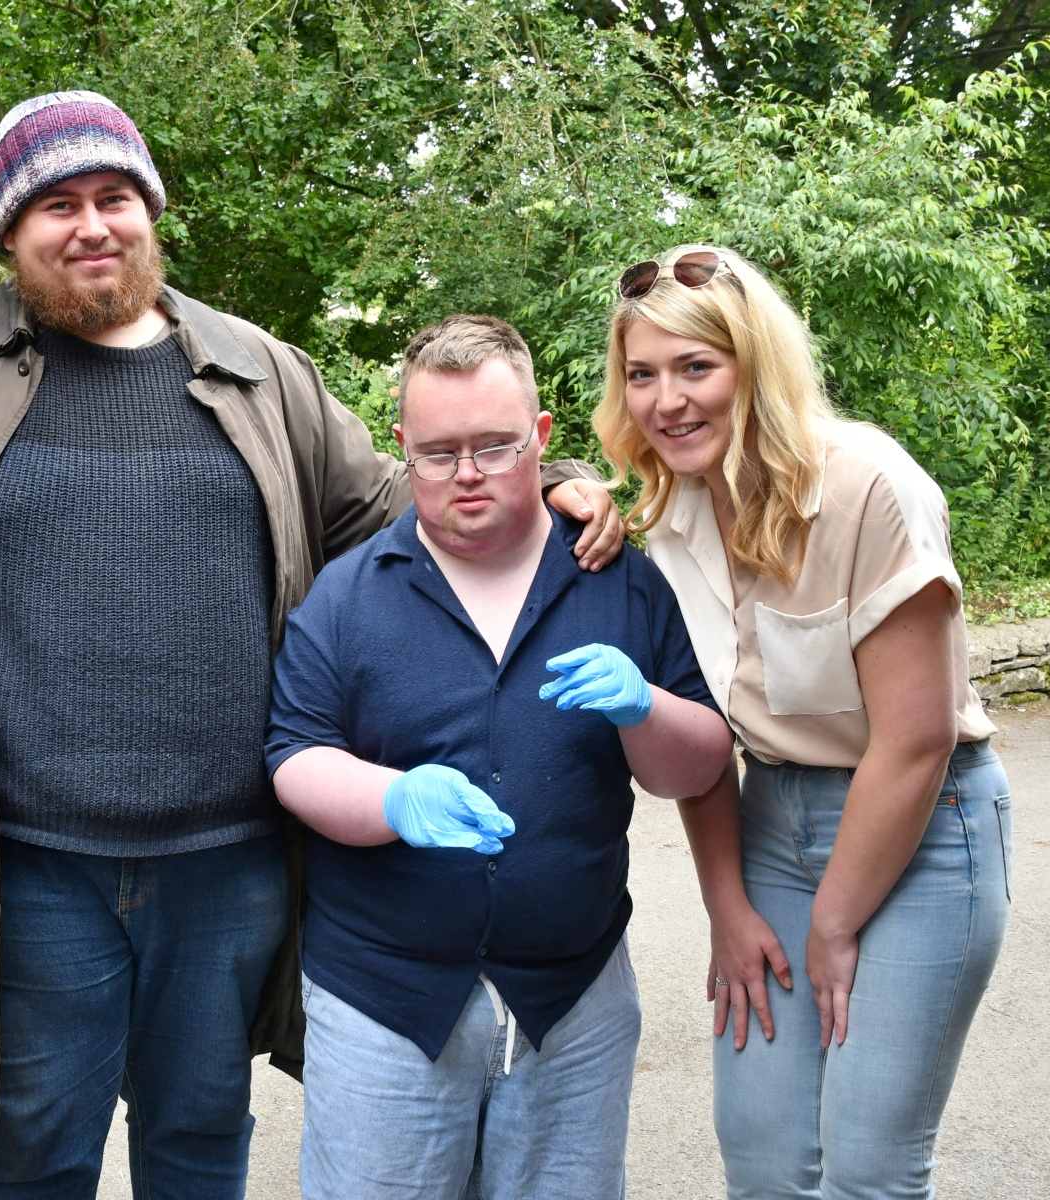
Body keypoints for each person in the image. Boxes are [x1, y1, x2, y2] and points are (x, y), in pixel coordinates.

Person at [0, 92, 623, 1197]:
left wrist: (556, 485)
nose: (92, 225)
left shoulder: (258, 369)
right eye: (57, 205)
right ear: (9, 233)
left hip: (232, 857)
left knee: (200, 1142)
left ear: (153, 211)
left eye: (114, 197)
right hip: (31, 861)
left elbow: (396, 510)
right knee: (34, 1150)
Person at [267, 314, 734, 1198]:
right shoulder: (347, 596)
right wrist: (391, 799)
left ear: (543, 437)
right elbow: (294, 756)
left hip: (574, 1003)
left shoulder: (620, 577)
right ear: (403, 448)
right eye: (439, 454)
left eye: (495, 446)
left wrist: (647, 709)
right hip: (383, 1003)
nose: (468, 475)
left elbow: (697, 767)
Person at [595, 245, 1011, 1198]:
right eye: (642, 375)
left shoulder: (870, 486)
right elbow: (704, 746)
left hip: (923, 830)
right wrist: (727, 908)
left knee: (868, 1167)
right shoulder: (672, 512)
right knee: (766, 1157)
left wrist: (833, 923)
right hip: (772, 826)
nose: (668, 401)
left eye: (697, 367)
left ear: (756, 366)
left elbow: (916, 739)